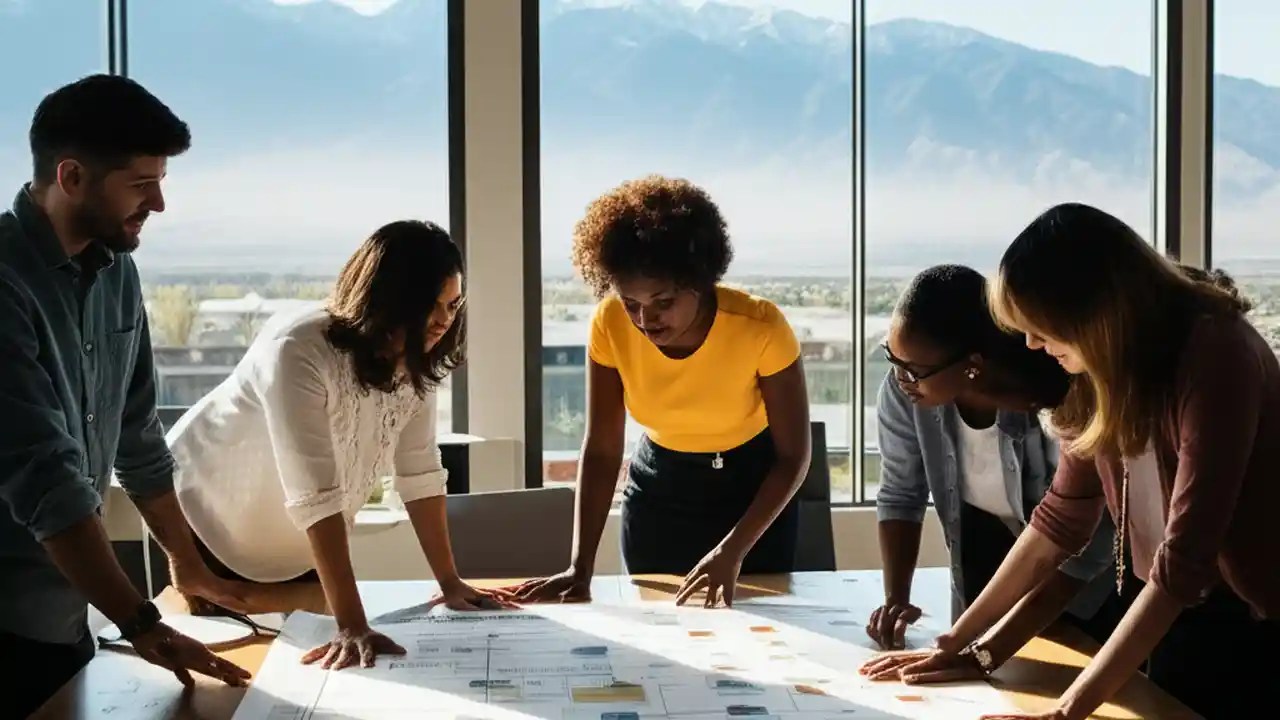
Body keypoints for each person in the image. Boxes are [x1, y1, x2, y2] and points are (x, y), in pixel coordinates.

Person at [861, 203, 1280, 720]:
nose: (1031, 344)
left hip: (1256, 618)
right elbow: (1059, 521)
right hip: (1180, 613)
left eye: (1041, 328)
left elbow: (1184, 559)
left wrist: (1065, 712)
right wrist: (961, 645)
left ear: (1090, 313)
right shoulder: (1097, 371)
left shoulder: (1217, 355)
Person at [0, 75, 250, 718]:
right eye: (141, 184)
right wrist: (141, 622)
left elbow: (137, 436)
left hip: (68, 618)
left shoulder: (118, 274)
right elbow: (45, 479)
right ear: (72, 177)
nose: (159, 203)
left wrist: (186, 564)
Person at [165, 220, 515, 671]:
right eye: (429, 305)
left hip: (296, 543)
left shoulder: (415, 357)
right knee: (244, 674)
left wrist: (450, 583)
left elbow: (420, 473)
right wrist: (352, 624)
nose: (443, 320)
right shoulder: (298, 349)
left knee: (319, 663)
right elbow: (317, 496)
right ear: (388, 299)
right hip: (212, 523)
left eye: (452, 304)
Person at [509, 175, 811, 608]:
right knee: (657, 636)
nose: (644, 320)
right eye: (631, 303)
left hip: (753, 502)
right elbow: (602, 449)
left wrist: (733, 549)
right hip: (658, 500)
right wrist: (580, 566)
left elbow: (793, 457)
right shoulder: (609, 323)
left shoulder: (761, 327)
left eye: (663, 302)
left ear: (699, 281)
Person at [871, 264, 1119, 655]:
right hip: (990, 565)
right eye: (892, 358)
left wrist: (990, 648)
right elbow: (901, 493)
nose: (901, 380)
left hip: (1082, 586)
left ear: (971, 364)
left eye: (914, 371)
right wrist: (897, 601)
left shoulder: (1053, 399)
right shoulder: (906, 392)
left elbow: (1079, 539)